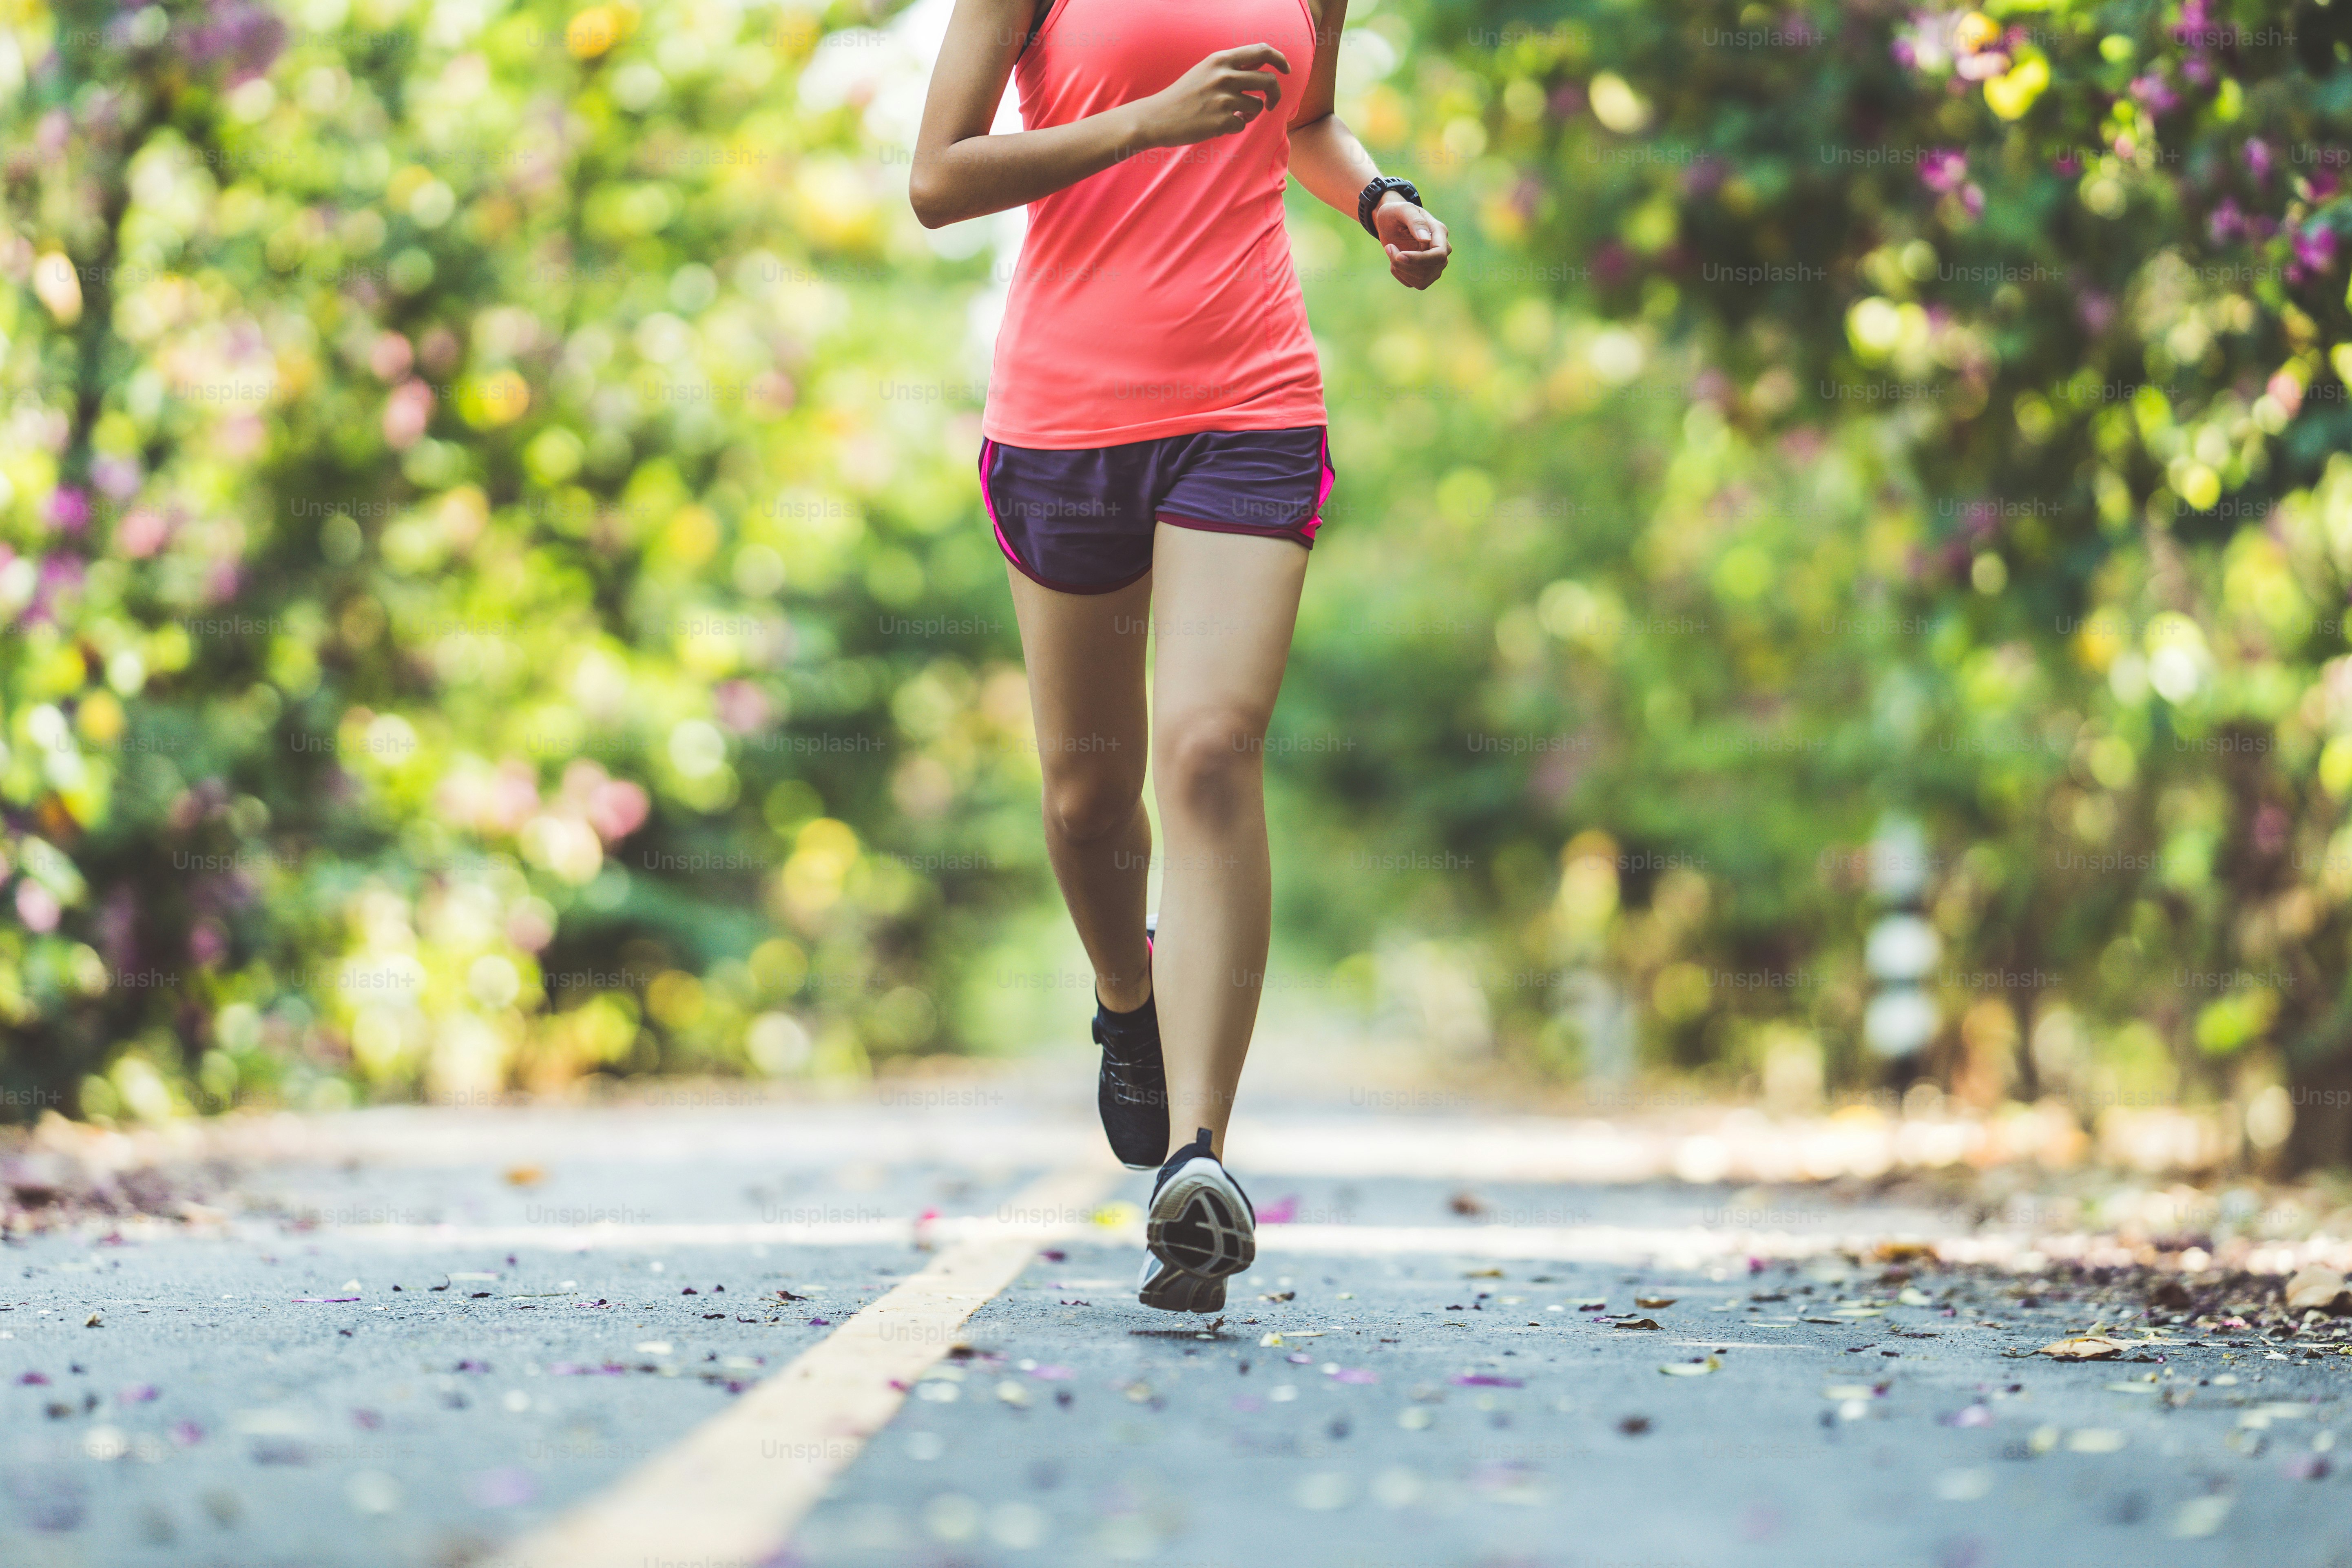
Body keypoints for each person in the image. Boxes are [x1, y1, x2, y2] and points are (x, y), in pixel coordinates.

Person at [911, 0, 1449, 1311]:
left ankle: (1196, 1162)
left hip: (1250, 405)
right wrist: (1145, 125)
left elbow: (1305, 120)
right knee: (1090, 801)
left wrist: (1377, 197)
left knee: (1209, 752)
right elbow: (938, 180)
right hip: (1066, 417)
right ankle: (1125, 993)